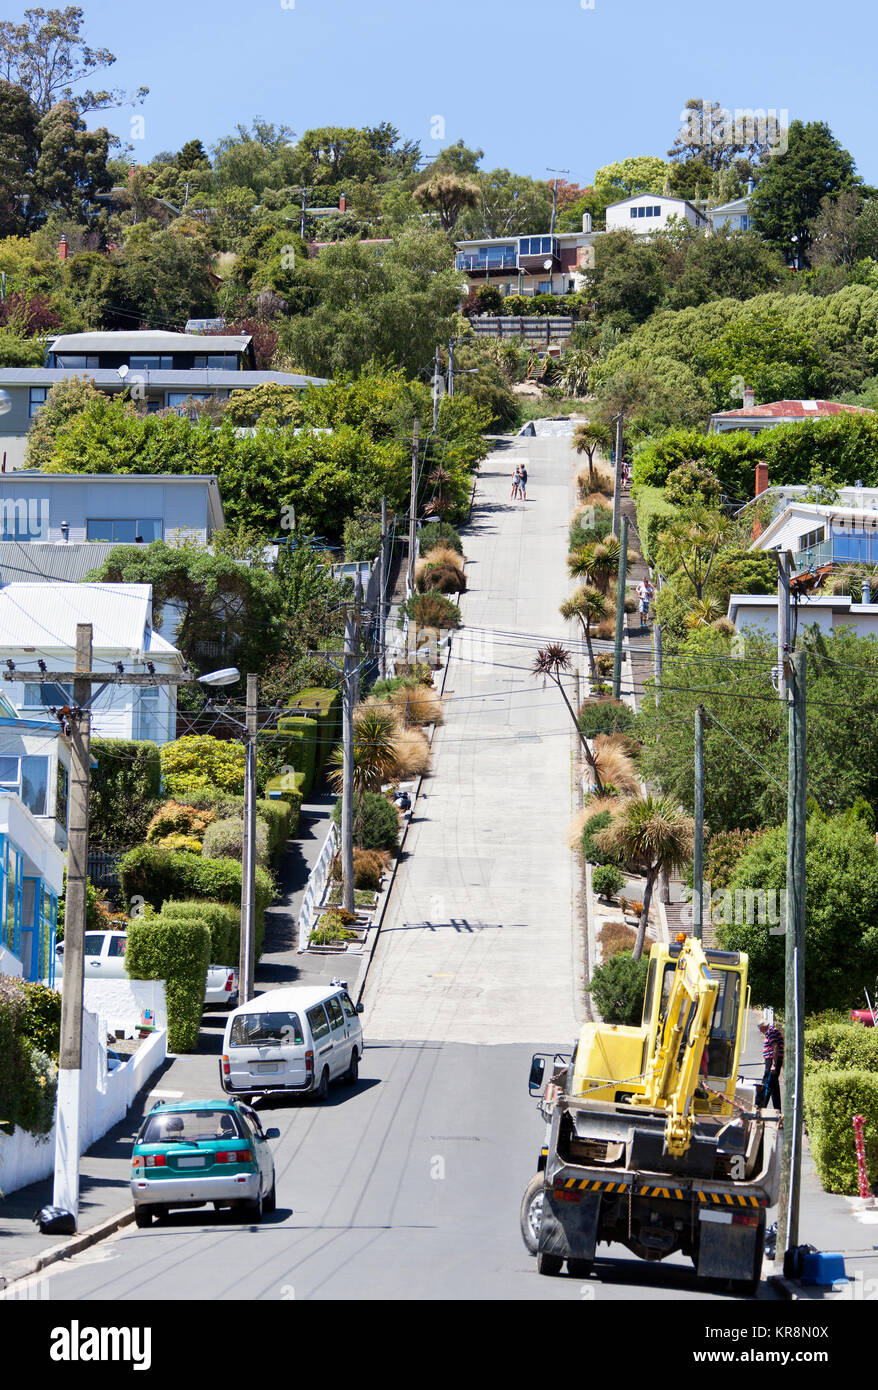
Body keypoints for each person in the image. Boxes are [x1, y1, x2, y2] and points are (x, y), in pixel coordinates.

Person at [757, 1019, 784, 1111]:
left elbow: (775, 1047)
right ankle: (777, 1108)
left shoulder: (770, 1032)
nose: (761, 1032)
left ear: (764, 1027)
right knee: (773, 1085)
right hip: (772, 1060)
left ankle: (761, 1106)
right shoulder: (773, 1031)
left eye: (761, 1029)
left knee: (767, 1082)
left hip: (772, 1060)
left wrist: (773, 1064)